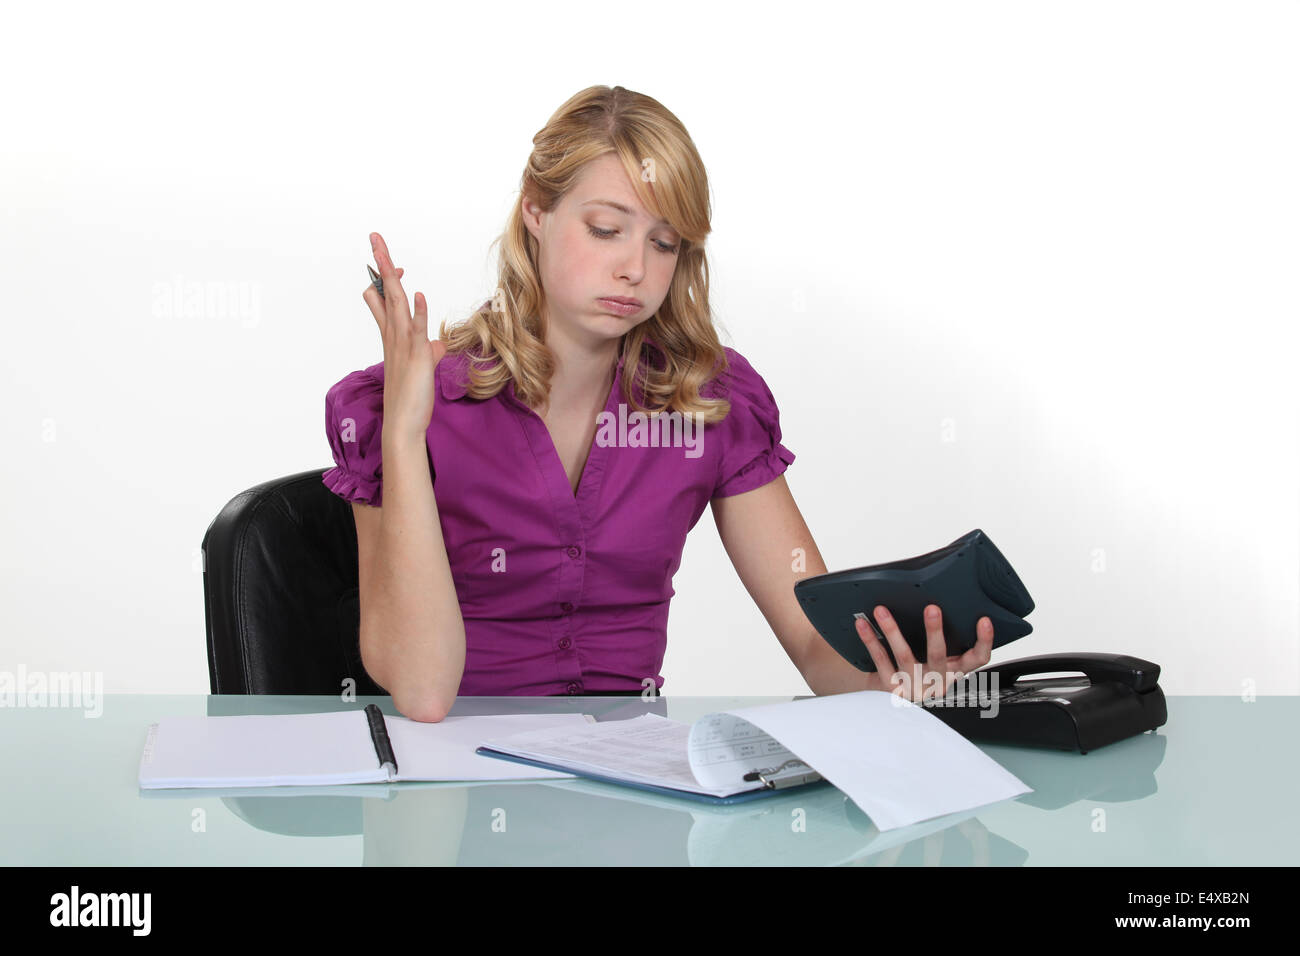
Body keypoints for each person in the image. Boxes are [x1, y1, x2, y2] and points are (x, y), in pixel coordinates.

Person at [323, 85, 994, 721]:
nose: (636, 270)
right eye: (606, 229)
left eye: (664, 242)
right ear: (536, 209)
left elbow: (817, 650)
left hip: (633, 787)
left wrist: (892, 680)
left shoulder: (710, 403)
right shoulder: (400, 405)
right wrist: (405, 438)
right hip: (459, 798)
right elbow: (423, 692)